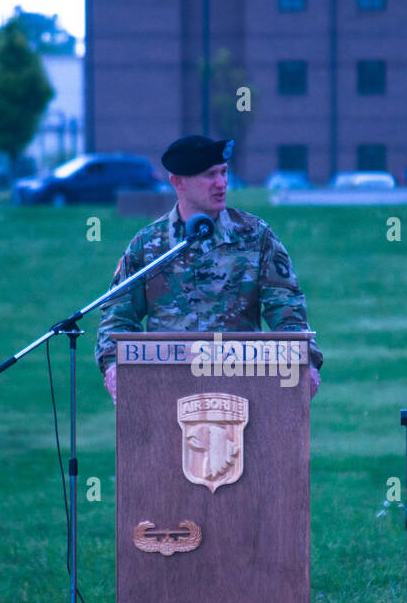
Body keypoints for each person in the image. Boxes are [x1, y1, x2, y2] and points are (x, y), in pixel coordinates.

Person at [94, 135, 323, 404]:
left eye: (224, 172)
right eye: (209, 175)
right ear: (177, 181)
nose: (221, 183)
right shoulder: (149, 245)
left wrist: (303, 359)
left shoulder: (254, 236)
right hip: (164, 389)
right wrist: (114, 365)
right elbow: (118, 316)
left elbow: (287, 309)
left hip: (244, 388)